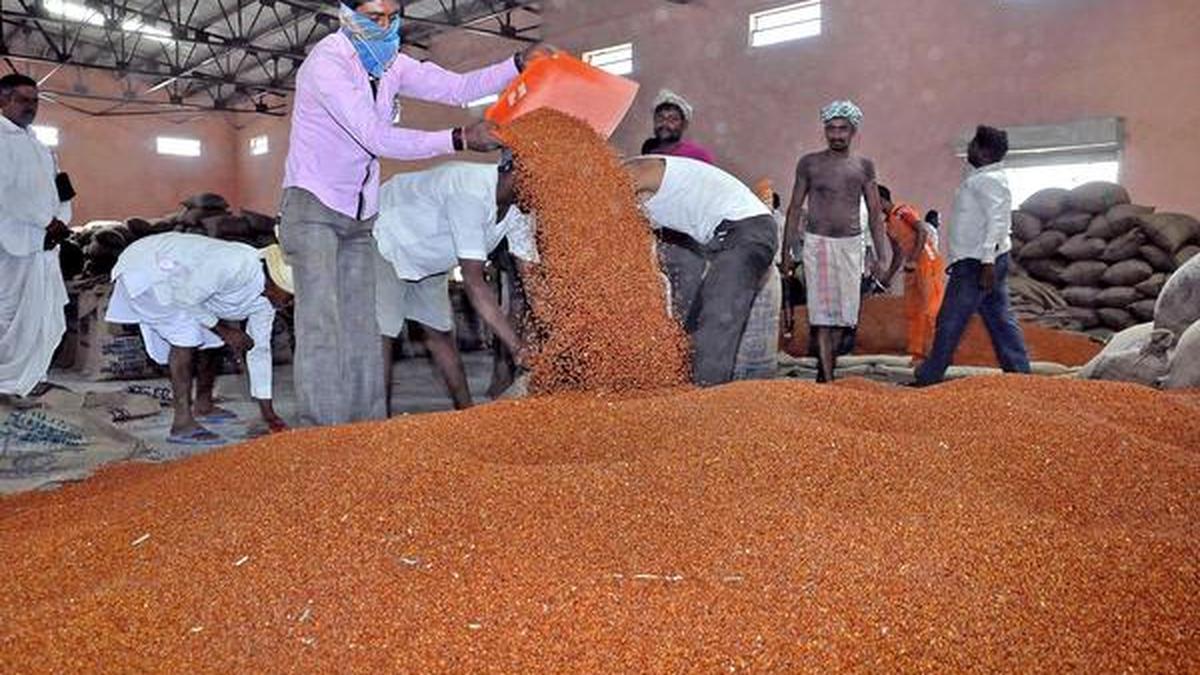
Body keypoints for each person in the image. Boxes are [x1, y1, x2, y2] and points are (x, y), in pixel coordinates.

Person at [277, 0, 551, 427]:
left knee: (364, 329)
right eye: (373, 17)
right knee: (322, 326)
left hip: (360, 213)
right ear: (347, 15)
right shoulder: (325, 65)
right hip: (313, 205)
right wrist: (459, 138)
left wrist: (517, 63)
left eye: (391, 17)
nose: (384, 27)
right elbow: (375, 136)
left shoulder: (391, 65)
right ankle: (320, 436)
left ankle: (364, 430)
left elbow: (458, 89)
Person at [374, 156, 536, 412]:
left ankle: (467, 415)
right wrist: (516, 347)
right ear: (516, 174)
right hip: (388, 240)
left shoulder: (519, 209)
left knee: (440, 334)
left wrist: (553, 324)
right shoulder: (471, 191)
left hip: (428, 258)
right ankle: (376, 425)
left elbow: (530, 276)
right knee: (383, 334)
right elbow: (473, 282)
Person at [107, 233, 295, 445]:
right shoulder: (235, 265)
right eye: (289, 296)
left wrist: (269, 414)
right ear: (275, 283)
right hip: (149, 268)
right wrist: (226, 330)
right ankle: (182, 424)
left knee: (212, 340)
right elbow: (185, 298)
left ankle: (203, 404)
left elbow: (259, 350)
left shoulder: (268, 302)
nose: (290, 303)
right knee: (186, 336)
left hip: (184, 285)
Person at [624, 155, 777, 386]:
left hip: (745, 229)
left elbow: (605, 203)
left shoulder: (632, 170)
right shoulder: (639, 195)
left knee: (716, 322)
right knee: (695, 327)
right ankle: (689, 391)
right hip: (726, 236)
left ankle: (704, 406)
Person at [781, 100, 888, 383]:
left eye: (843, 129)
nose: (836, 135)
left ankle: (824, 367)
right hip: (819, 245)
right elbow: (793, 209)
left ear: (853, 131)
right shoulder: (809, 163)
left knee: (845, 317)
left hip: (851, 246)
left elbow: (876, 213)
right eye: (831, 128)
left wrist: (883, 255)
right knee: (822, 316)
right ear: (824, 130)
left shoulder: (864, 166)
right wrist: (787, 252)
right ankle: (827, 380)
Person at [915, 126, 1030, 386]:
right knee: (999, 318)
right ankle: (1021, 376)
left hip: (978, 263)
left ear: (984, 151)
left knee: (951, 320)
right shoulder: (982, 177)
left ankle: (929, 377)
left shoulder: (989, 181)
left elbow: (998, 221)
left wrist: (987, 261)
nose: (969, 149)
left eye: (974, 145)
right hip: (982, 261)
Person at [0, 73, 72, 401]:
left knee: (46, 313)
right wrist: (47, 221)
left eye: (35, 100)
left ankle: (34, 377)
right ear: (3, 100)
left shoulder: (41, 146)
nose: (31, 107)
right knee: (10, 315)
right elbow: (9, 193)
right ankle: (7, 381)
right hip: (12, 244)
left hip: (45, 245)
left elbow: (62, 188)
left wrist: (62, 220)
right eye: (23, 100)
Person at [640, 90, 718, 322]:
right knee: (658, 312)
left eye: (672, 119)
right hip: (655, 246)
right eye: (660, 118)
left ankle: (688, 358)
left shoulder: (697, 155)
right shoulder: (648, 157)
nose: (665, 123)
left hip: (687, 246)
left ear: (683, 125)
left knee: (687, 310)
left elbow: (707, 196)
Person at [878, 184, 946, 359]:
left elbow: (922, 230)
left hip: (927, 262)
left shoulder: (901, 211)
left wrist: (914, 259)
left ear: (880, 199)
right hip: (912, 266)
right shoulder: (888, 225)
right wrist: (888, 277)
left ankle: (936, 352)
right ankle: (917, 353)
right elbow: (898, 254)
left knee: (930, 307)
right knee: (913, 309)